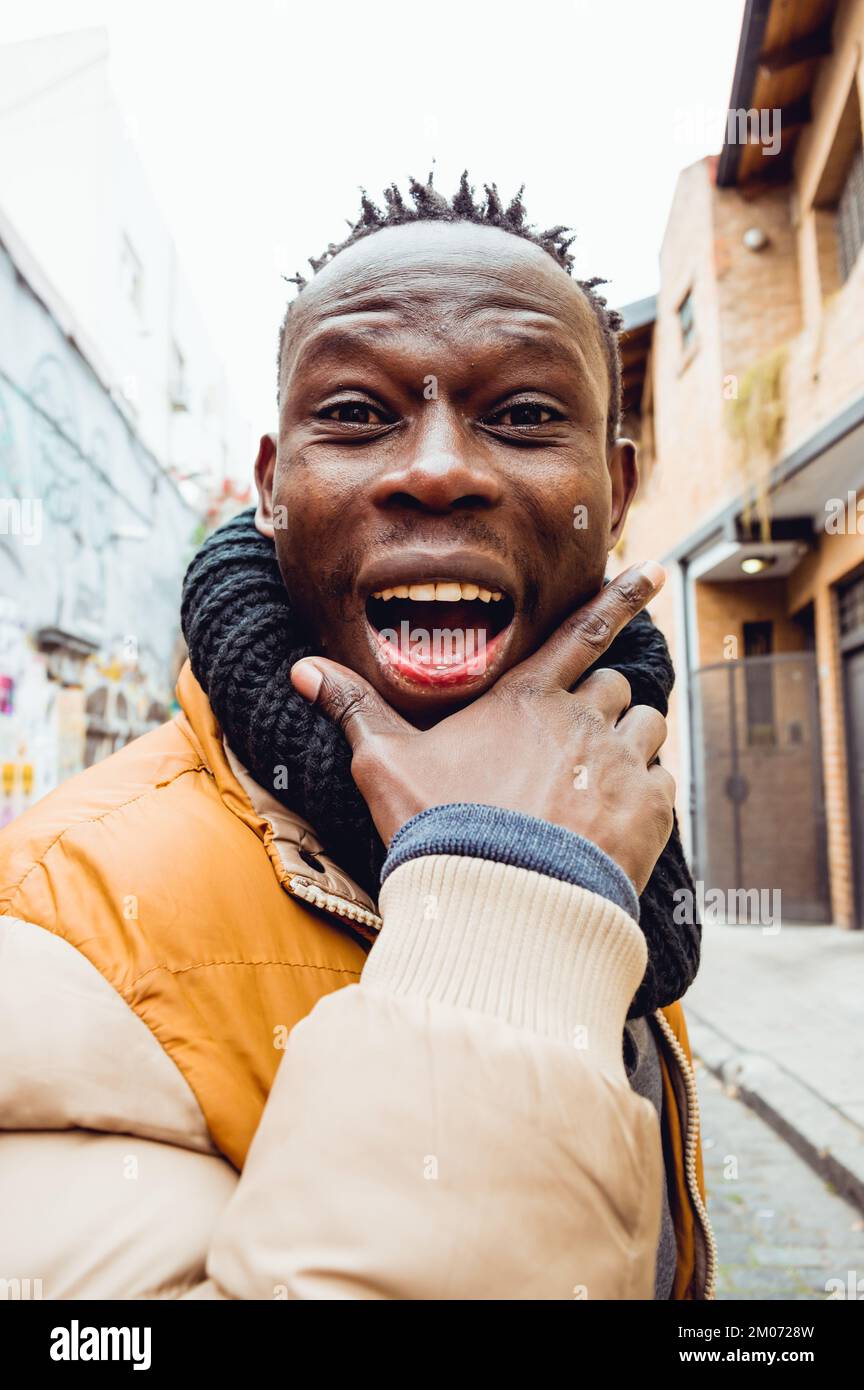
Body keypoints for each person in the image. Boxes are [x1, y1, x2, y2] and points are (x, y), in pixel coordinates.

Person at [0, 174, 712, 1300]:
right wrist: (502, 907)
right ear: (273, 491)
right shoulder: (58, 924)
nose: (437, 469)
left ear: (614, 492)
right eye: (356, 414)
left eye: (524, 416)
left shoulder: (609, 826)